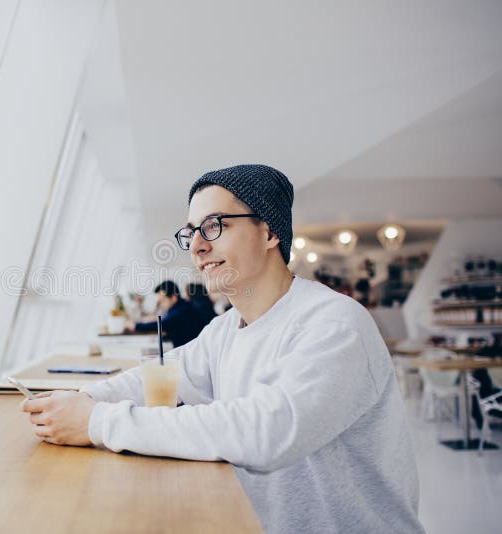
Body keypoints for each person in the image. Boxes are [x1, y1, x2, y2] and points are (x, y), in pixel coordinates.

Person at [22, 164, 423, 533]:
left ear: (270, 232)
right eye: (191, 232)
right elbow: (163, 374)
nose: (196, 246)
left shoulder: (334, 323)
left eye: (214, 226)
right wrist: (80, 400)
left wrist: (96, 422)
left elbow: (265, 432)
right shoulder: (225, 330)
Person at [126, 280, 203, 348]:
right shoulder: (179, 307)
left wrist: (135, 326)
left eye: (163, 301)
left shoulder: (183, 309)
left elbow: (162, 324)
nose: (161, 305)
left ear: (173, 297)